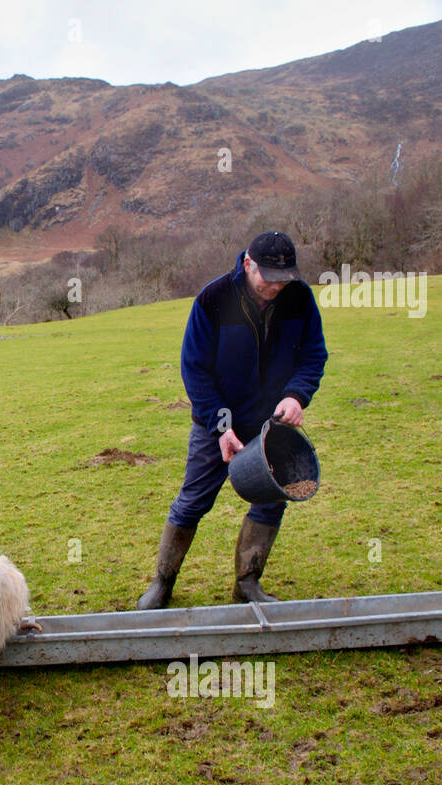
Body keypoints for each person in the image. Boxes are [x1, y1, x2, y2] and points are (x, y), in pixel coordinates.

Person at [137, 231, 327, 610]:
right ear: (247, 264)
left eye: (283, 277)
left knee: (272, 502)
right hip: (216, 422)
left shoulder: (300, 298)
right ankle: (162, 582)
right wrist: (221, 425)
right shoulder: (213, 299)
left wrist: (295, 395)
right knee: (192, 502)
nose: (275, 285)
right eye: (267, 276)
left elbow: (313, 355)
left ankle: (247, 582)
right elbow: (195, 371)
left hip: (270, 424)